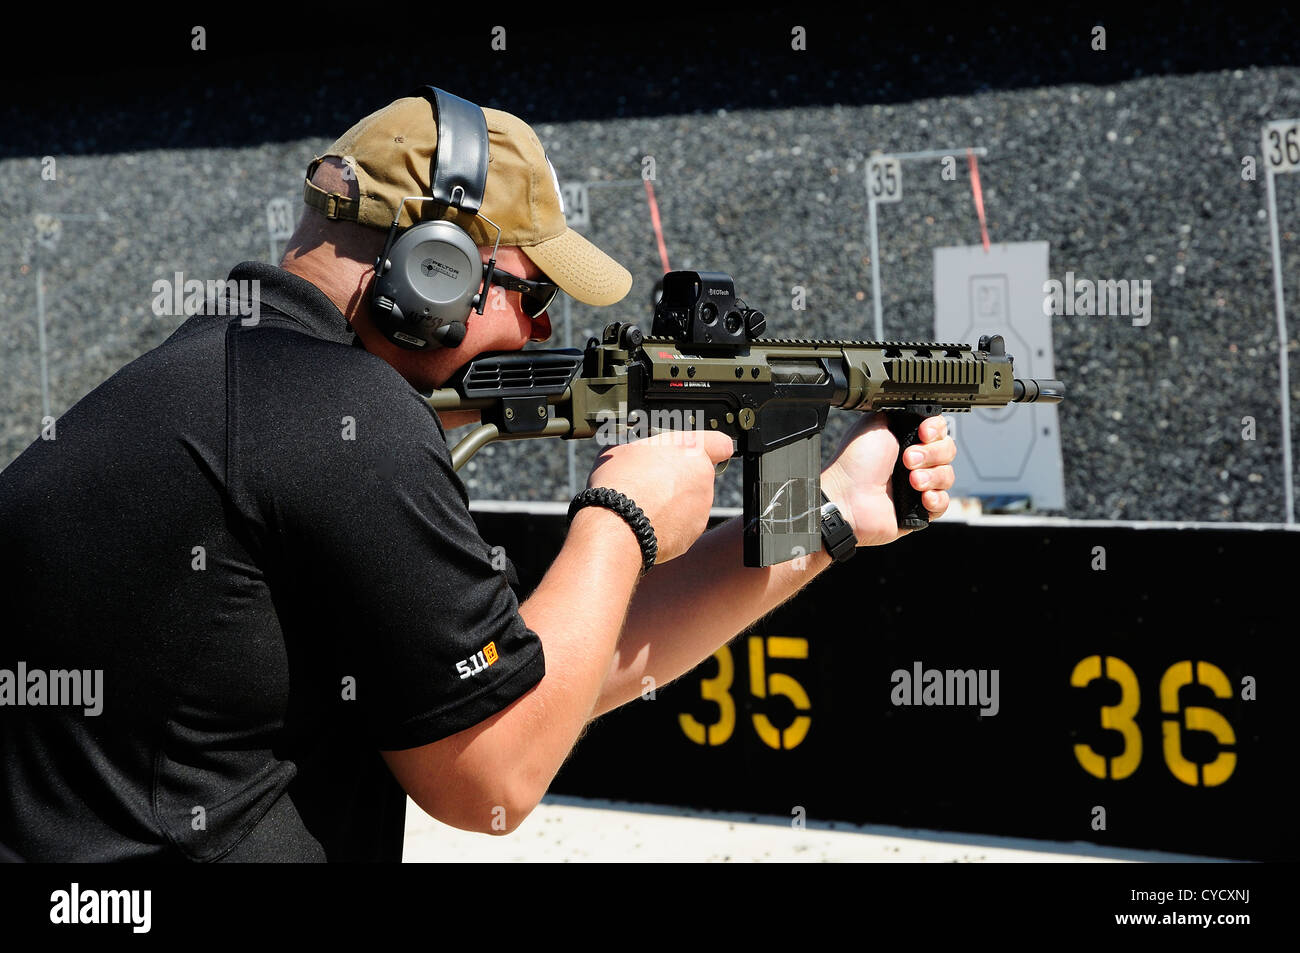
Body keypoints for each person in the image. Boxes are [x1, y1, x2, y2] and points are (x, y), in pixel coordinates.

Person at [0, 91, 955, 861]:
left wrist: (831, 516)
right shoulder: (350, 421)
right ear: (437, 269)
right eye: (533, 295)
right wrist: (619, 519)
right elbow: (492, 781)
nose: (543, 332)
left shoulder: (173, 388)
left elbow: (522, 701)